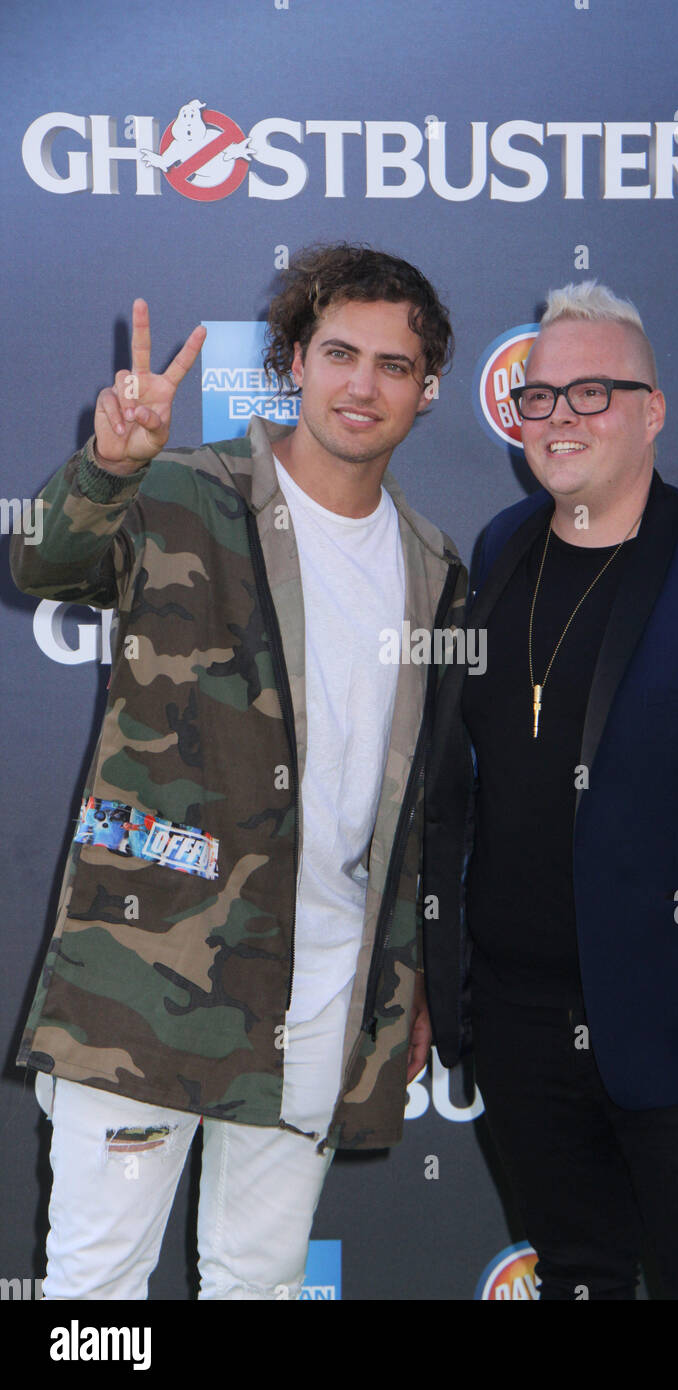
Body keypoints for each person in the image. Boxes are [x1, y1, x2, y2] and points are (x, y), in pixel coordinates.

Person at [10, 244, 466, 1300]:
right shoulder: (183, 488)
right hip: (144, 970)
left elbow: (416, 801)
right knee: (94, 1285)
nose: (363, 385)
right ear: (293, 362)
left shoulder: (433, 564)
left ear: (425, 390)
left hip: (323, 988)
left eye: (393, 365)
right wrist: (109, 464)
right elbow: (44, 562)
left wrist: (404, 981)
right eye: (340, 353)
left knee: (258, 1281)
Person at [422, 280, 678, 1300]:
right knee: (575, 1276)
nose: (560, 417)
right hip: (519, 1025)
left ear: (651, 410)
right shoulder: (499, 549)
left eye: (593, 393)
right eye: (539, 395)